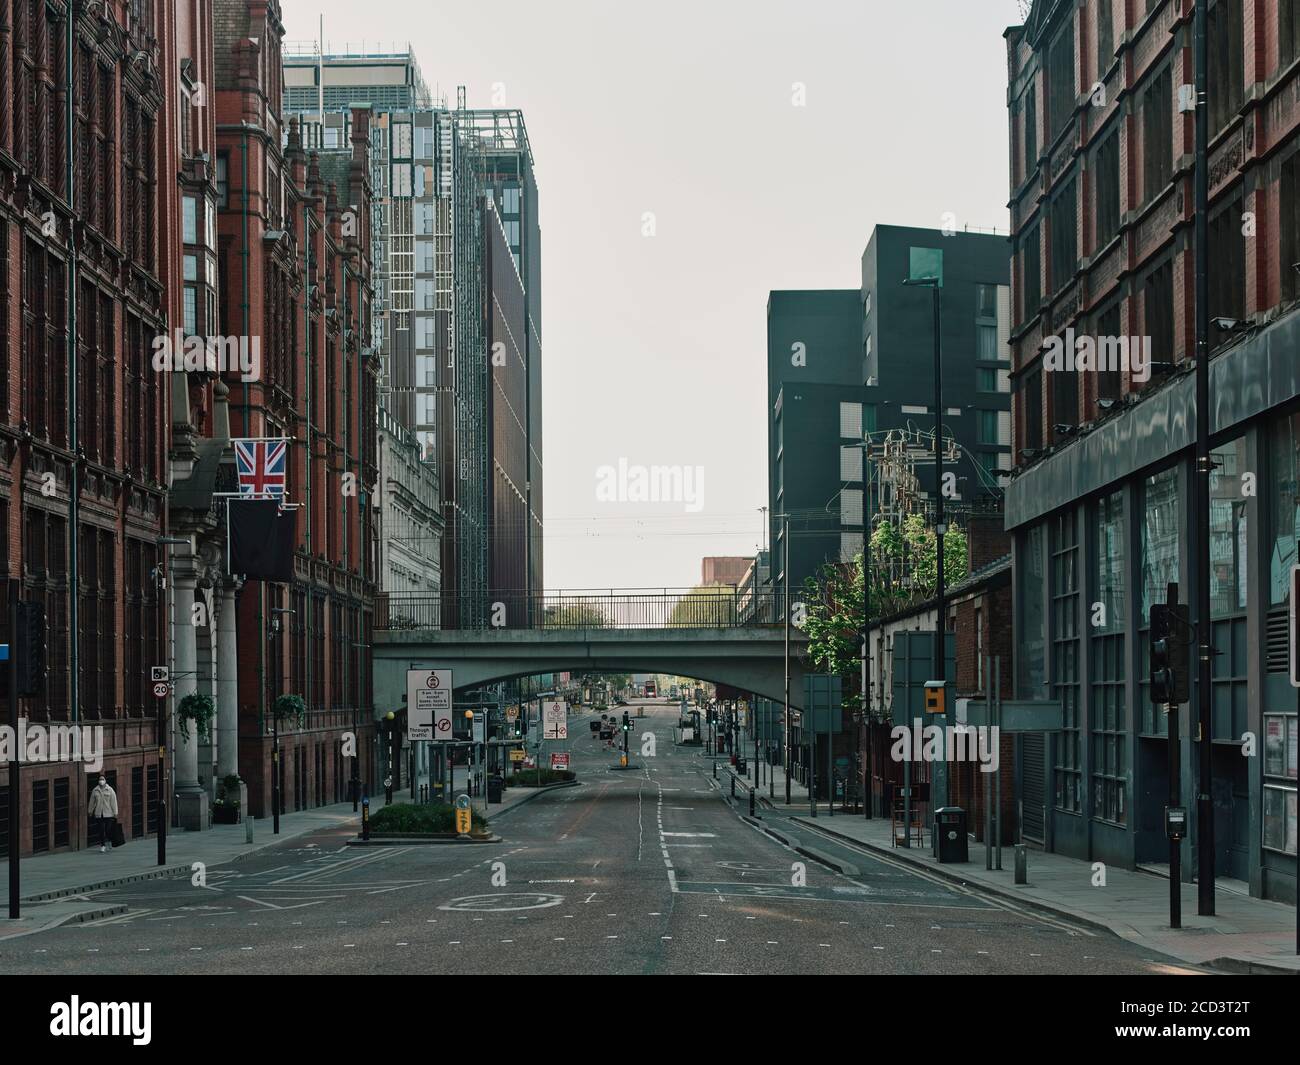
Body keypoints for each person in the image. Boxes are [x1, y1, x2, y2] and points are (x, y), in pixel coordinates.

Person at [88, 775, 118, 853]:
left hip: (108, 813)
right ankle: (103, 845)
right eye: (100, 779)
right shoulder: (95, 790)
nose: (101, 780)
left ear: (105, 780)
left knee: (108, 830)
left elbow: (113, 802)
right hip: (99, 813)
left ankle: (110, 841)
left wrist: (115, 812)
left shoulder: (110, 790)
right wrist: (90, 811)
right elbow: (92, 801)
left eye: (102, 779)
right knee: (101, 830)